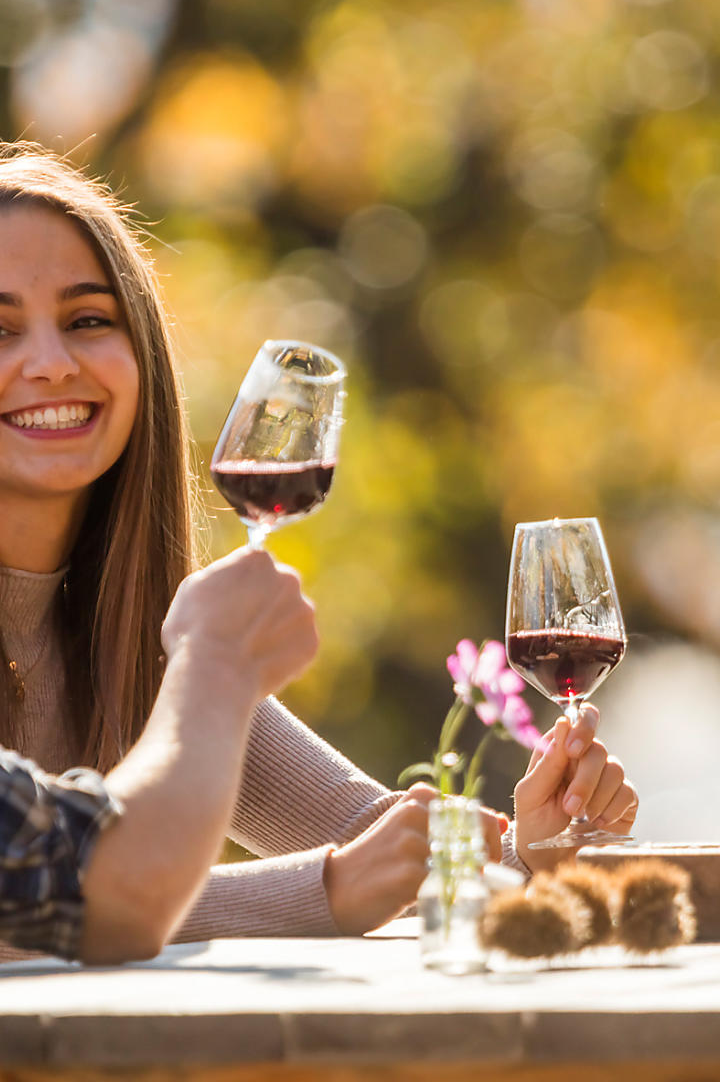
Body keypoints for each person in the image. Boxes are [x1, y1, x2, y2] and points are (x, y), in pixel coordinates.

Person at [0, 142, 638, 957]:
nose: (51, 364)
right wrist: (324, 889)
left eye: (88, 320)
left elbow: (378, 840)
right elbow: (60, 905)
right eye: (0, 329)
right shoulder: (204, 655)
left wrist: (532, 848)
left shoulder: (133, 633)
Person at [0, 548, 317, 963]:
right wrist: (321, 888)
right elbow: (103, 895)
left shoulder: (142, 640)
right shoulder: (202, 653)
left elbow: (391, 844)